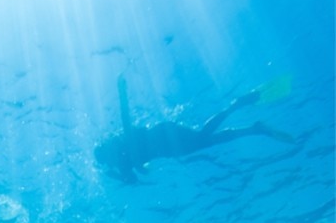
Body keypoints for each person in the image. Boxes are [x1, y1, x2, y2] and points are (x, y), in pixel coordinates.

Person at [95, 75, 294, 183]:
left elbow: (125, 115)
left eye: (107, 158)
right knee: (206, 140)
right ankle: (253, 127)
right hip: (169, 147)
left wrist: (121, 90)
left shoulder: (126, 147)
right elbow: (137, 178)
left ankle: (239, 107)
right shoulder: (124, 165)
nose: (109, 161)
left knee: (203, 137)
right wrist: (118, 175)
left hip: (166, 136)